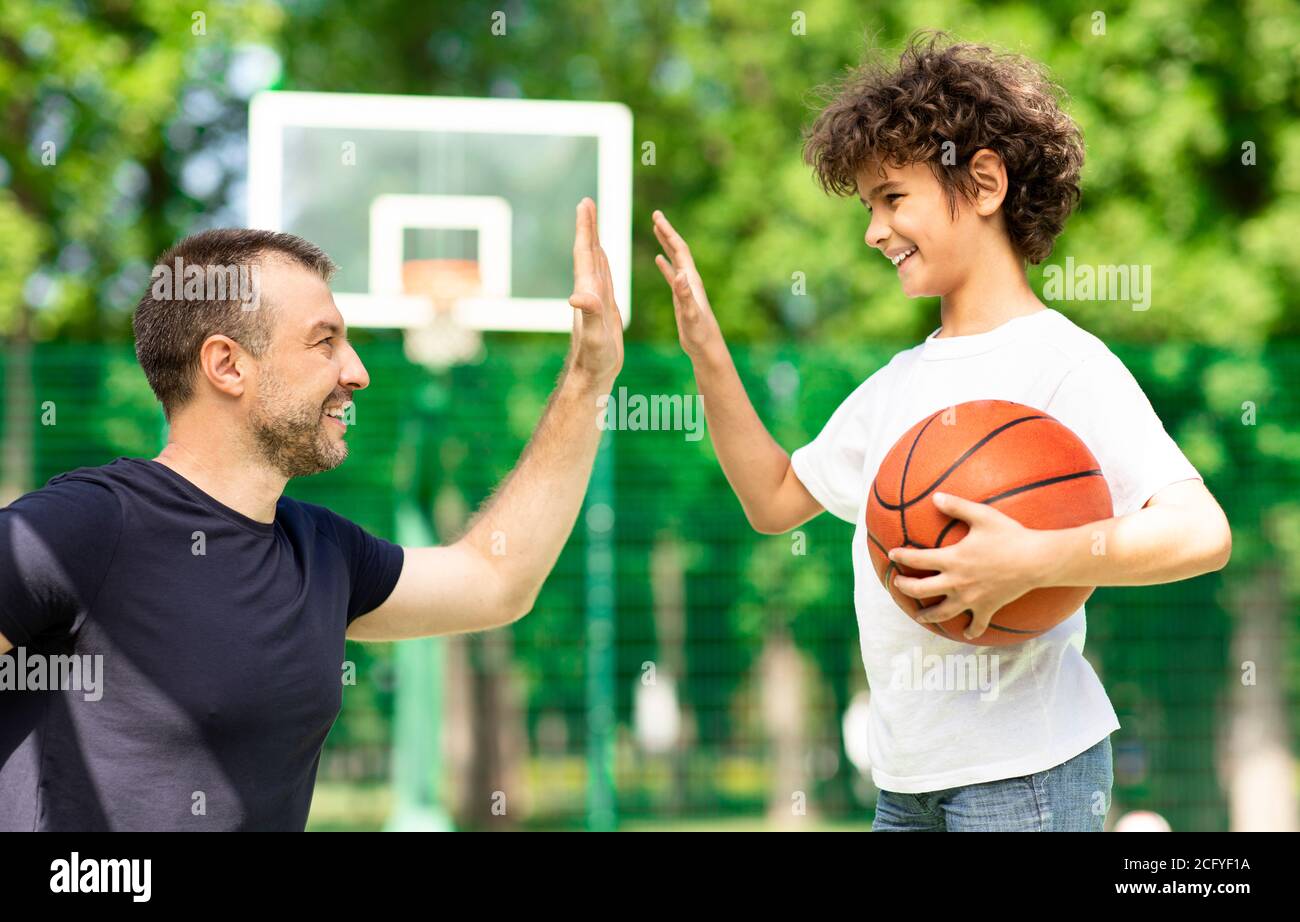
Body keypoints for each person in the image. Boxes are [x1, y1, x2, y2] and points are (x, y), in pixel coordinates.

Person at [651, 32, 1232, 831]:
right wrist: (707, 354)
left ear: (984, 182)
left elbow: (1201, 533)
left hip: (1027, 775)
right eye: (867, 209)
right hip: (906, 784)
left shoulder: (1063, 363)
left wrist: (1031, 559)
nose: (873, 232)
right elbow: (774, 499)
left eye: (893, 199)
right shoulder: (899, 386)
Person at [0, 198, 623, 831]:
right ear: (227, 365)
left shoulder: (323, 553)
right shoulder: (90, 526)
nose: (357, 372)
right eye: (325, 342)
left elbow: (497, 581)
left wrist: (587, 380)